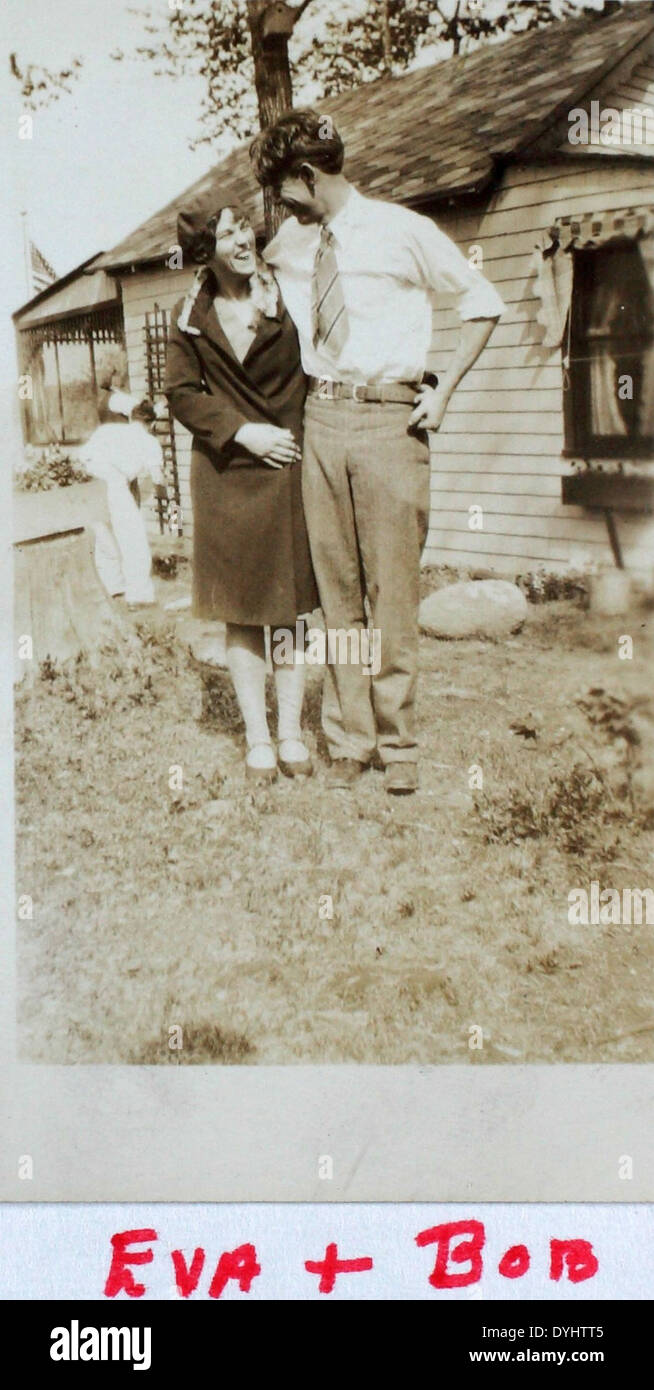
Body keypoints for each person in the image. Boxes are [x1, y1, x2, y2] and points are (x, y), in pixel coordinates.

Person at [251, 109, 506, 794]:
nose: (280, 206)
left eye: (284, 191)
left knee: (390, 591)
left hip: (392, 420)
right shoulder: (289, 245)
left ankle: (399, 744)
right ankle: (349, 739)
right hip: (322, 419)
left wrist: (444, 390)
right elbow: (246, 279)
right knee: (336, 594)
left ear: (308, 176)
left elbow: (484, 301)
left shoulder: (403, 231)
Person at [164, 202, 318, 784]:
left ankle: (293, 735)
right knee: (241, 613)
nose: (242, 239)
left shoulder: (287, 295)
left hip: (286, 466)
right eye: (227, 233)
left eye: (243, 228)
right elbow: (180, 394)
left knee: (287, 611)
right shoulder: (190, 315)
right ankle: (258, 739)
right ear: (206, 249)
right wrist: (242, 432)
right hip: (228, 472)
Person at [79, 391, 165, 607]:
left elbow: (83, 456)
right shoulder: (150, 442)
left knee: (105, 538)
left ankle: (113, 587)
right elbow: (158, 480)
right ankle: (139, 596)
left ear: (131, 417)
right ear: (151, 424)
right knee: (133, 541)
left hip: (92, 485)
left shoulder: (108, 430)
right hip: (114, 485)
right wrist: (173, 512)